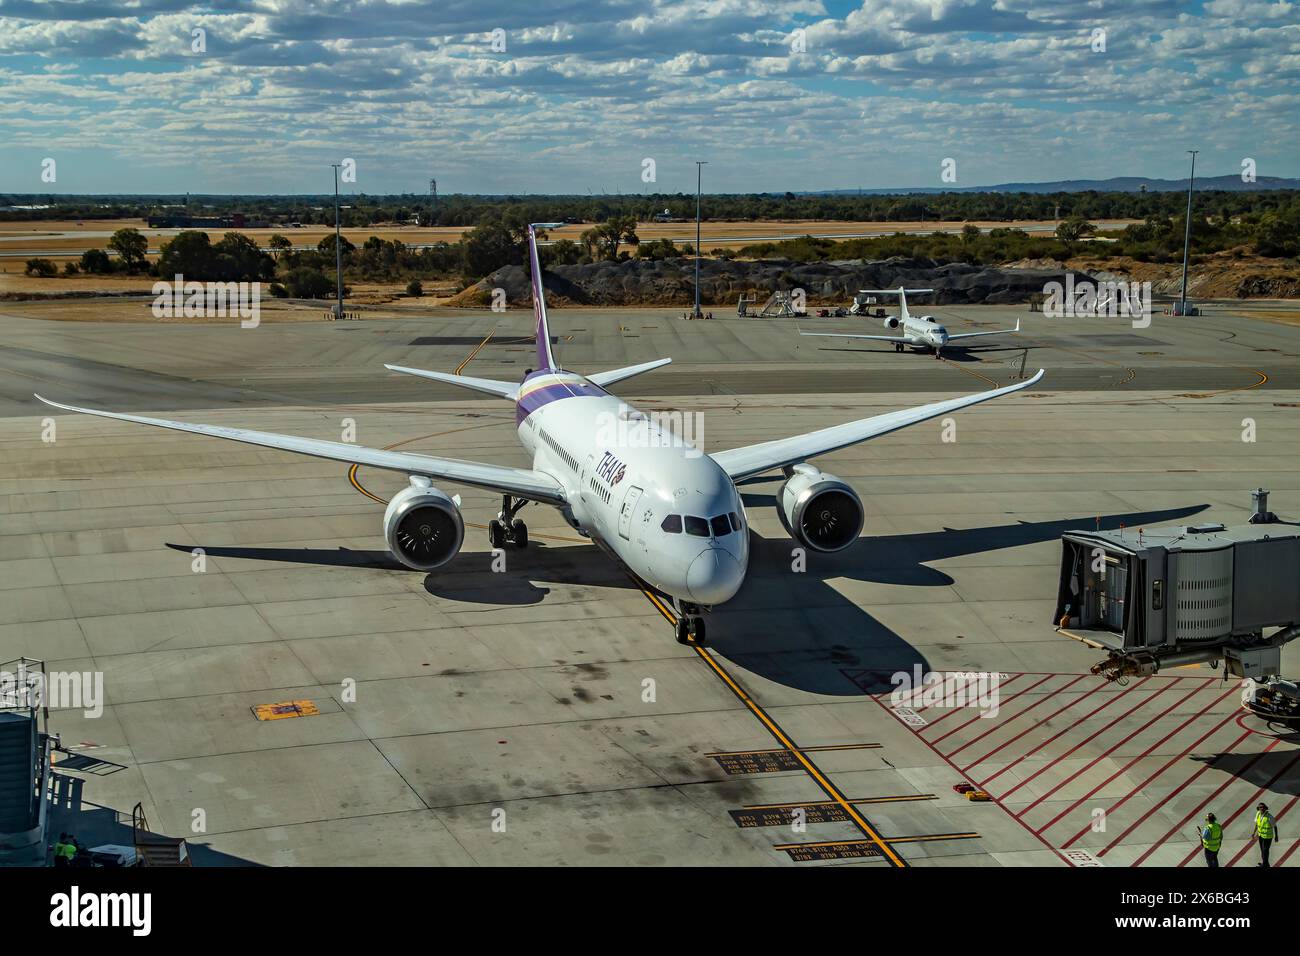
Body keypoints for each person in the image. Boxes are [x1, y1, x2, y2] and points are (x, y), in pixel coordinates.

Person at [1255, 803, 1276, 867]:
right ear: (1258, 808)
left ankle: (1265, 864)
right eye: (1260, 807)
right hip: (1261, 835)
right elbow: (1256, 824)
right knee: (1262, 850)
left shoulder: (1269, 817)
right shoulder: (1258, 814)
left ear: (1265, 808)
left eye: (1263, 807)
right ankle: (1265, 864)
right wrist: (1254, 833)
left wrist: (1276, 836)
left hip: (1268, 837)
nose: (1261, 808)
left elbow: (1275, 826)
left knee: (1265, 851)